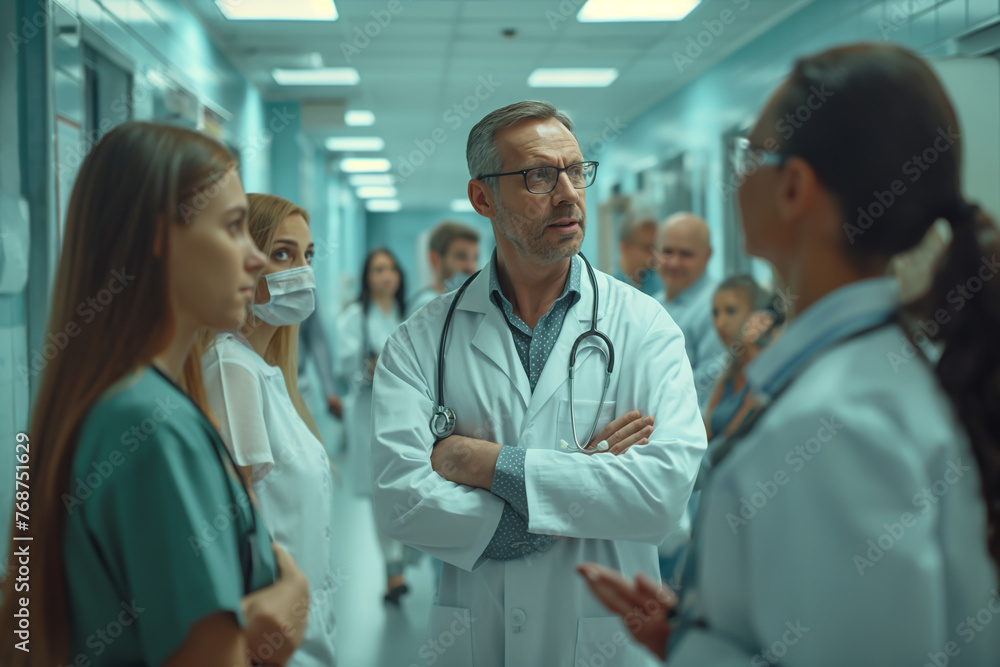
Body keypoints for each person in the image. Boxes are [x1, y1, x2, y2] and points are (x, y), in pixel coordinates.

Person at [579, 43, 1000, 665]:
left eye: (752, 155)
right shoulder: (863, 373)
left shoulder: (837, 423)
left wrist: (700, 649)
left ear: (795, 187)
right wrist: (709, 627)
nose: (741, 175)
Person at [370, 100, 706, 666]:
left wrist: (482, 464)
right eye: (538, 176)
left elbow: (660, 496)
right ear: (483, 198)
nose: (569, 193)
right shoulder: (419, 341)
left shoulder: (645, 328)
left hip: (604, 643)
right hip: (475, 639)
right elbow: (400, 502)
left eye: (576, 171)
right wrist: (582, 486)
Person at [0, 122, 310, 667]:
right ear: (159, 238)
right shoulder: (152, 429)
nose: (255, 259)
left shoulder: (107, 401)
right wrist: (283, 615)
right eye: (234, 227)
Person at [201, 193, 337, 667]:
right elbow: (237, 537)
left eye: (308, 255)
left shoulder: (264, 371)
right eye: (283, 254)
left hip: (304, 636)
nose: (303, 271)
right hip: (271, 647)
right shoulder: (231, 367)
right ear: (246, 261)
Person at [336, 248, 409, 603]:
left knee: (407, 486)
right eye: (379, 269)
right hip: (368, 413)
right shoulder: (353, 318)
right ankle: (393, 569)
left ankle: (402, 559)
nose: (386, 275)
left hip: (409, 413)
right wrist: (367, 369)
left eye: (392, 268)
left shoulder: (411, 314)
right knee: (381, 493)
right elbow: (346, 369)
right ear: (367, 276)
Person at [653, 212, 726, 413]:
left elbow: (711, 387)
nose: (674, 262)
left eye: (686, 254)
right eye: (667, 252)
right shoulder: (653, 304)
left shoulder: (717, 307)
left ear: (708, 255)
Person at [703, 275, 769, 440]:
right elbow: (705, 433)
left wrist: (752, 347)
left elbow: (732, 439)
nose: (720, 323)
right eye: (715, 313)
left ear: (758, 315)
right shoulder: (729, 368)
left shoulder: (768, 372)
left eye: (730, 311)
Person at [408, 221, 482, 315]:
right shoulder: (427, 306)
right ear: (435, 259)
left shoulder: (460, 303)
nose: (471, 267)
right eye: (461, 256)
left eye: (475, 258)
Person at [615, 212, 661, 296]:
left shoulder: (663, 288)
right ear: (625, 247)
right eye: (647, 248)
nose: (655, 255)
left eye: (656, 248)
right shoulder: (609, 290)